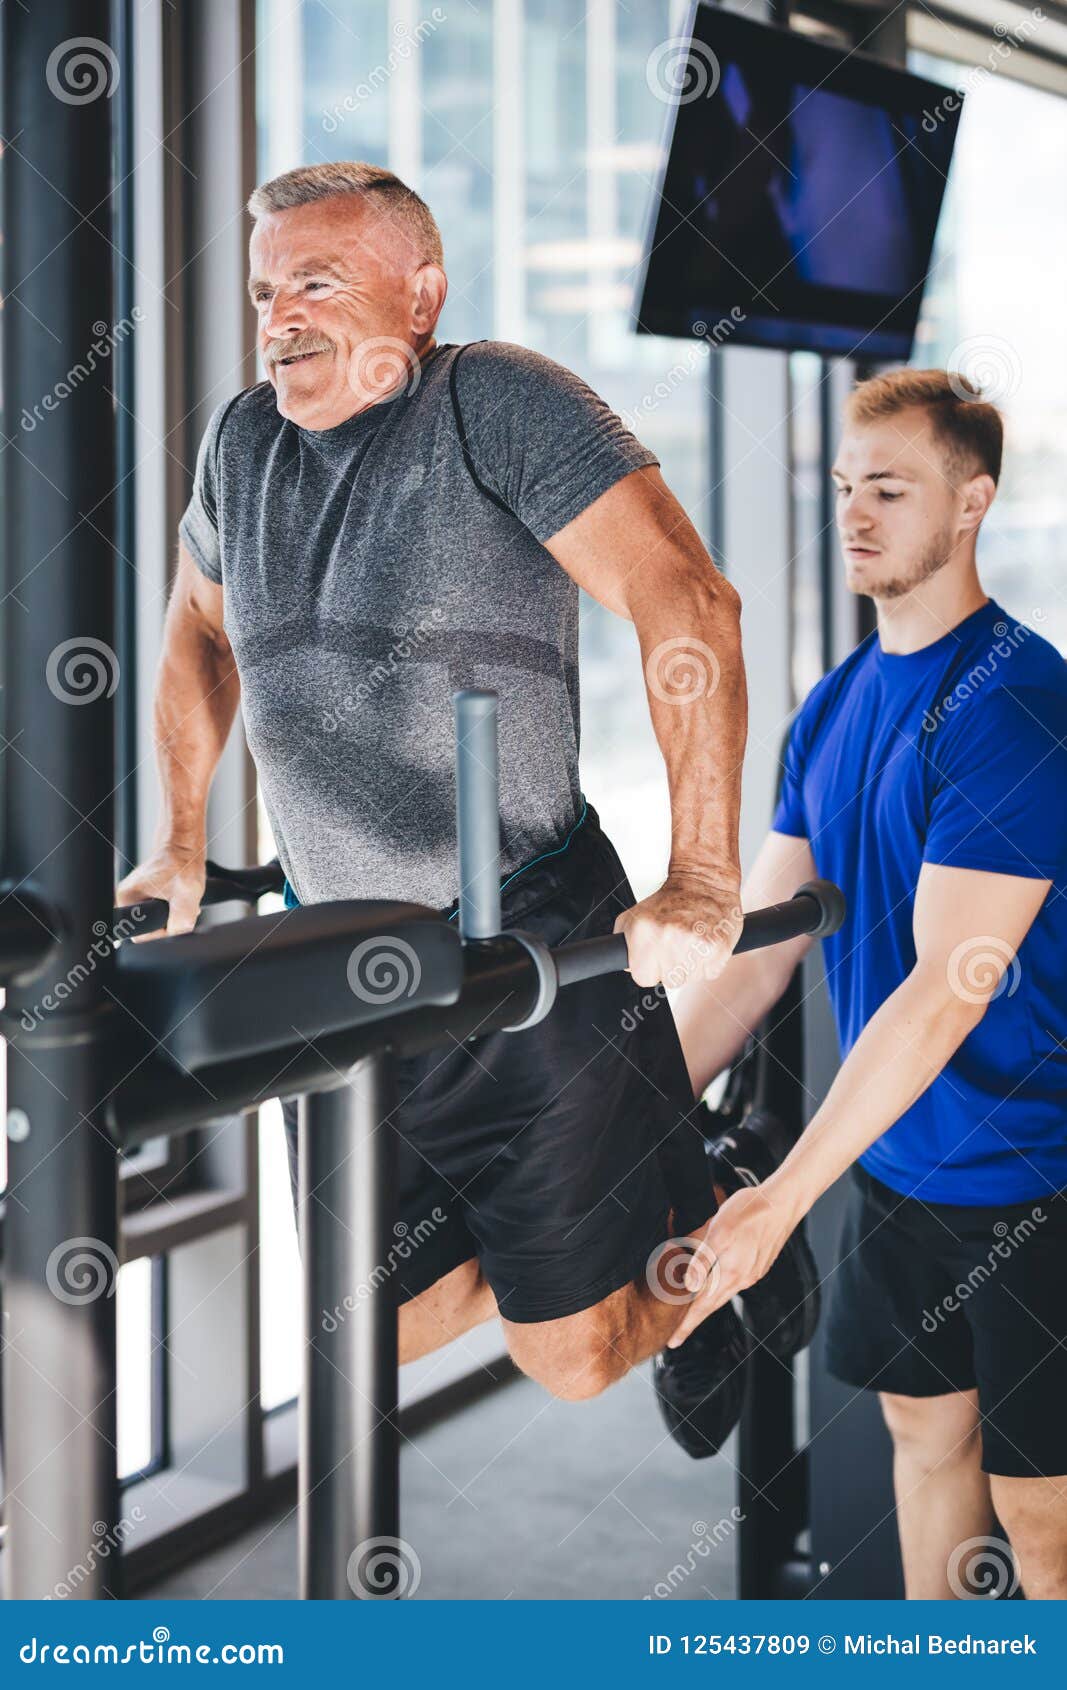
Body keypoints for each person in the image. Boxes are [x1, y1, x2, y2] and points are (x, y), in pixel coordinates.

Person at [116, 161, 812, 1453]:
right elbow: (195, 637)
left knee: (568, 1356)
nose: (278, 318)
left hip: (529, 944)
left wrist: (704, 872)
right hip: (341, 967)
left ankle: (715, 1201)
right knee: (371, 1327)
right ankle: (659, 1173)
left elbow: (688, 607)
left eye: (315, 283)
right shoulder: (238, 444)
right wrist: (175, 840)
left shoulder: (493, 403)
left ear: (418, 292)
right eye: (266, 289)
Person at [669, 367, 1067, 1594]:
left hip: (1037, 1169)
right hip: (899, 1160)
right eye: (842, 487)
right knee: (920, 1435)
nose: (851, 512)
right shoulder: (832, 708)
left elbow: (945, 988)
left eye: (886, 489)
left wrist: (783, 1195)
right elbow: (760, 950)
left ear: (968, 504)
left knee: (1040, 1513)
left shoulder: (1014, 701)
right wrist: (615, 1115)